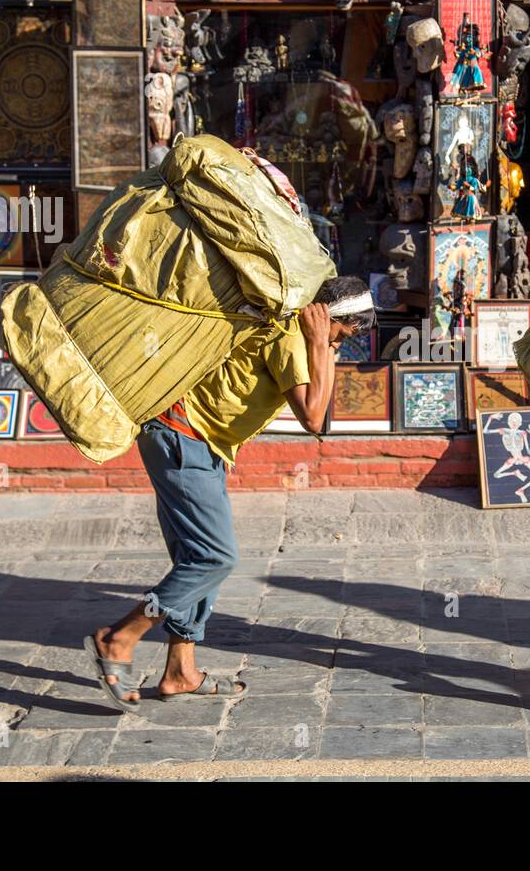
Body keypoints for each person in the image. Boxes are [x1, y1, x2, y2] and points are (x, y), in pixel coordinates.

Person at [84, 274, 376, 712]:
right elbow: (315, 419)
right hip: (185, 439)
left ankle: (180, 671)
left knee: (195, 559)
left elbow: (323, 411)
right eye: (340, 335)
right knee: (213, 558)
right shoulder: (291, 340)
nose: (337, 345)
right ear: (325, 319)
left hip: (195, 441)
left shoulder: (305, 339)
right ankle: (120, 636)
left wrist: (327, 347)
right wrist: (320, 345)